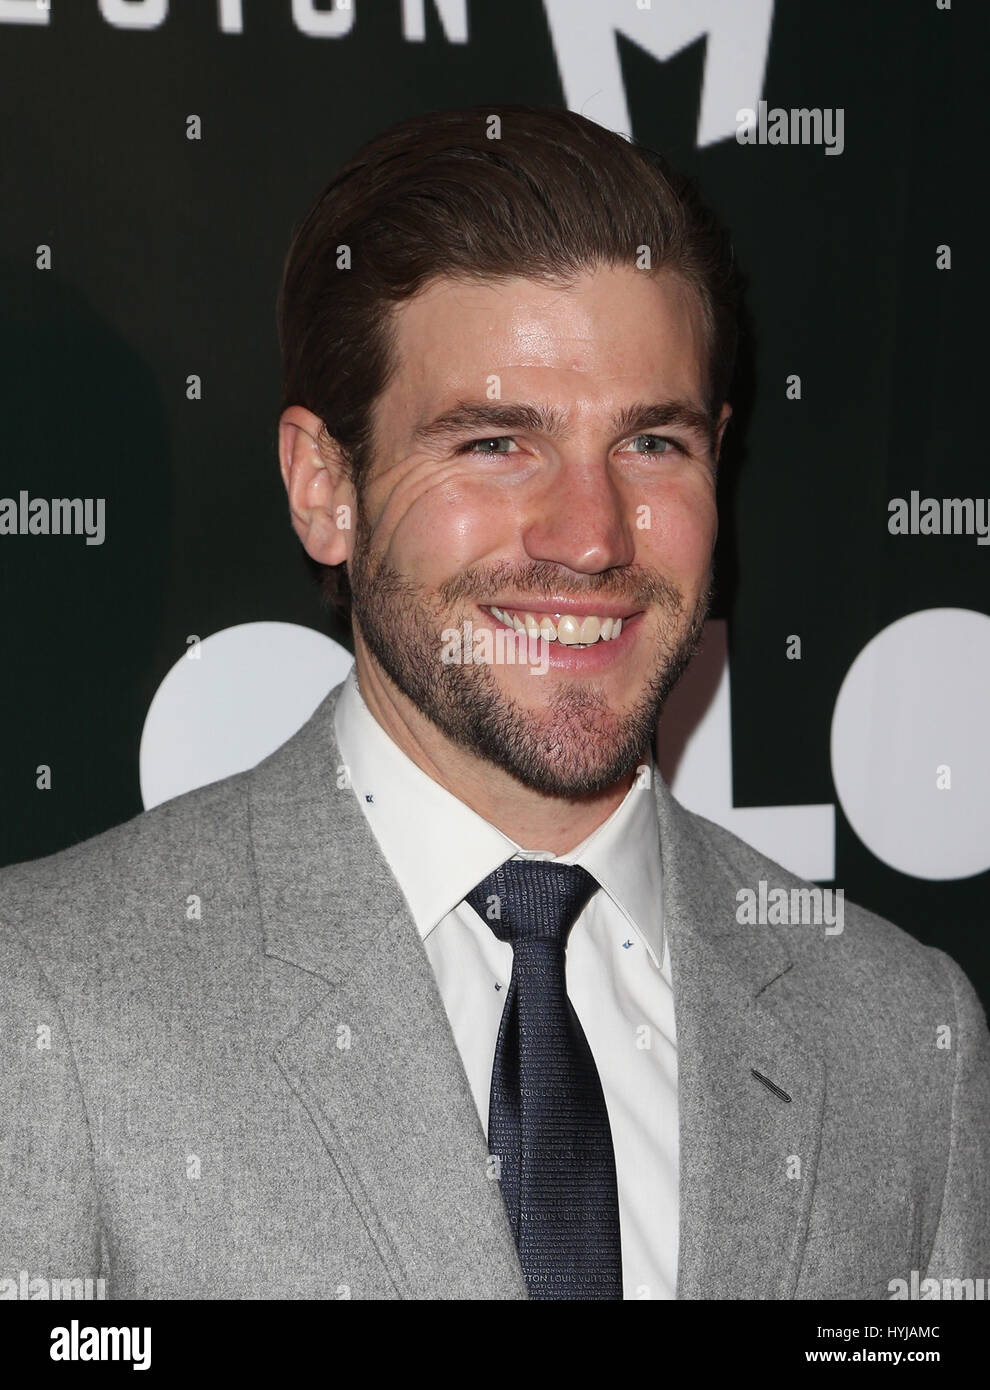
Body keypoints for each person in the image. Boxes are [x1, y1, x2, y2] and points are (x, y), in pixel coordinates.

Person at [1, 105, 987, 1301]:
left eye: (653, 445)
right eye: (493, 444)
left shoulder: (903, 1038)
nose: (589, 536)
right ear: (327, 487)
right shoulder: (48, 995)